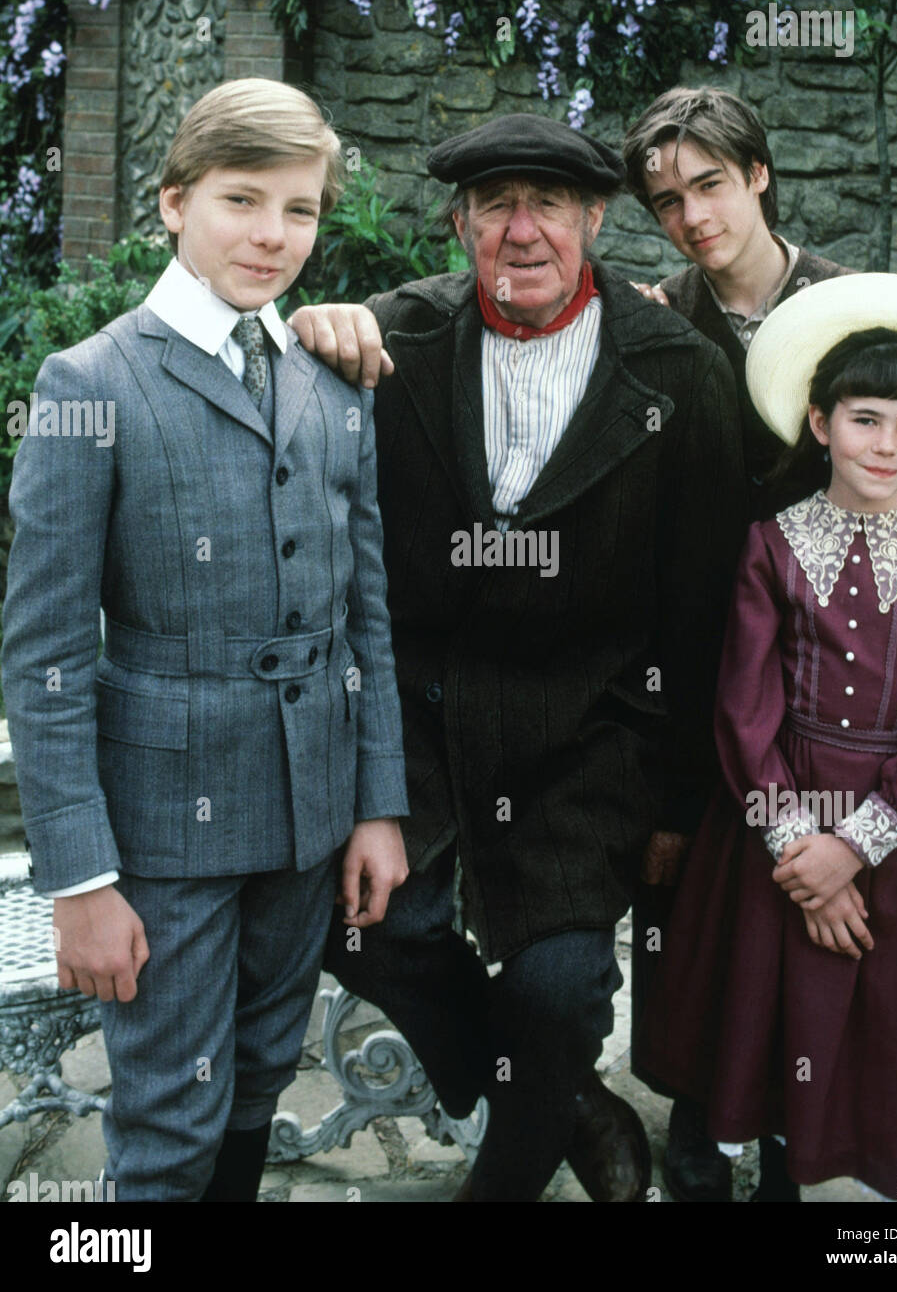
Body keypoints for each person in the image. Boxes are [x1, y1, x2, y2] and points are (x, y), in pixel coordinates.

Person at [290, 112, 749, 1201]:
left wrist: (681, 804)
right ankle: (571, 1101)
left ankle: (515, 1151)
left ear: (595, 218)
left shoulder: (678, 373)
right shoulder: (398, 339)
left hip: (592, 731)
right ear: (459, 223)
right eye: (496, 203)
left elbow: (701, 615)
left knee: (555, 989)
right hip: (425, 711)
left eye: (551, 203)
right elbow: (273, 375)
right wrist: (303, 322)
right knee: (356, 923)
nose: (524, 228)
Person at [1, 78, 409, 1202]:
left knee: (256, 1080)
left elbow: (364, 613)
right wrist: (79, 876)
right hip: (160, 842)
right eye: (243, 200)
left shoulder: (332, 382)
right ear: (174, 203)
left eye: (302, 208)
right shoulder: (90, 384)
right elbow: (41, 655)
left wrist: (376, 802)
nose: (274, 236)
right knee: (169, 1118)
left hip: (309, 820)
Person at [637, 272, 897, 1201]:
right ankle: (757, 1163)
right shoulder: (773, 542)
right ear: (818, 424)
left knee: (874, 1012)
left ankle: (843, 1175)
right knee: (762, 995)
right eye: (864, 419)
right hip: (775, 807)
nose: (887, 443)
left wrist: (853, 848)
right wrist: (796, 841)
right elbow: (743, 702)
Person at [622, 85, 854, 519]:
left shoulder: (846, 301)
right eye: (669, 201)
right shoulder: (662, 314)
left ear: (757, 174)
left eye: (709, 184)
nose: (693, 217)